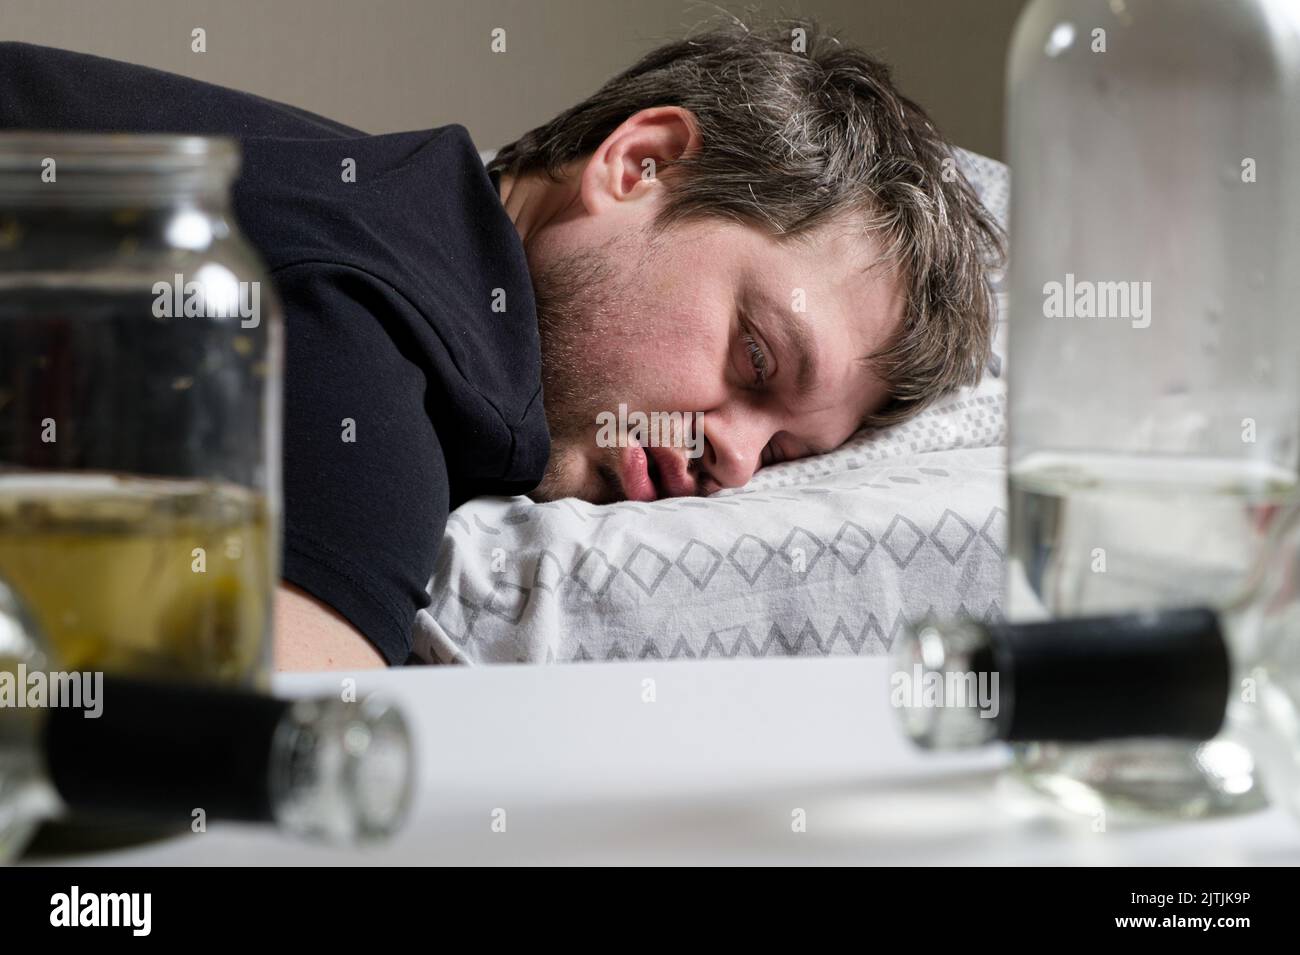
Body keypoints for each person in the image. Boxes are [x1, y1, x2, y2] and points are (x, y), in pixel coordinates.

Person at [0, 18, 1003, 671]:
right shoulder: (387, 345)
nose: (734, 460)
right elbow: (222, 784)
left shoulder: (363, 193)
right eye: (753, 358)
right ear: (638, 164)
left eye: (783, 451)